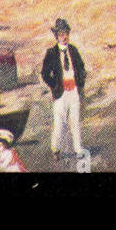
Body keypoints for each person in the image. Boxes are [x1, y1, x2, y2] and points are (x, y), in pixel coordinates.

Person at [41, 18, 86, 159]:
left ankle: (78, 150)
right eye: (61, 34)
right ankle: (56, 149)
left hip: (73, 91)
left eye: (66, 33)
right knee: (59, 123)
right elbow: (44, 73)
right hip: (60, 93)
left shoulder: (73, 50)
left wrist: (80, 85)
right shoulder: (52, 53)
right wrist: (54, 86)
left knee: (75, 122)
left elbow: (81, 68)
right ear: (57, 36)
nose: (64, 37)